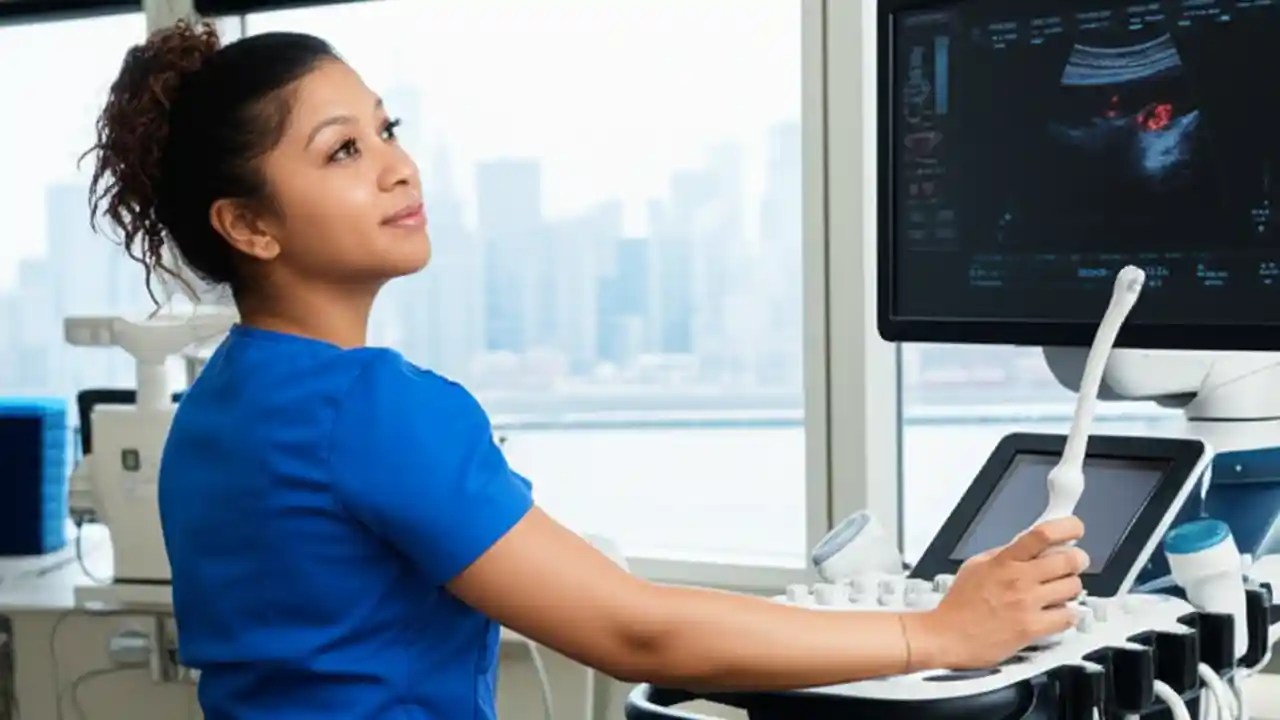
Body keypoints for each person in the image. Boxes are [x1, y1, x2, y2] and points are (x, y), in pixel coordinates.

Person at [85, 19, 1089, 720]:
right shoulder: (371, 406)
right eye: (341, 152)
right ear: (249, 224)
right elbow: (634, 634)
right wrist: (940, 636)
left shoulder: (218, 406)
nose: (397, 166)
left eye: (388, 129)